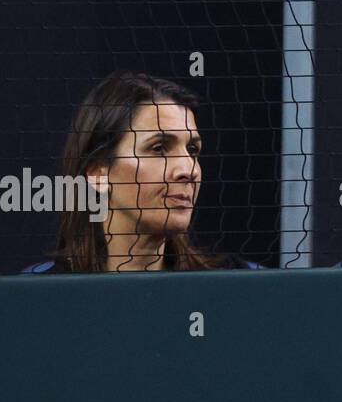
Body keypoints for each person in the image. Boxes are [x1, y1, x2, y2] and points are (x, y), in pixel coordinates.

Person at [23, 71, 262, 273]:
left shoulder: (242, 286)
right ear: (98, 173)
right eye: (158, 149)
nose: (188, 169)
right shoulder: (37, 297)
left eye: (192, 150)